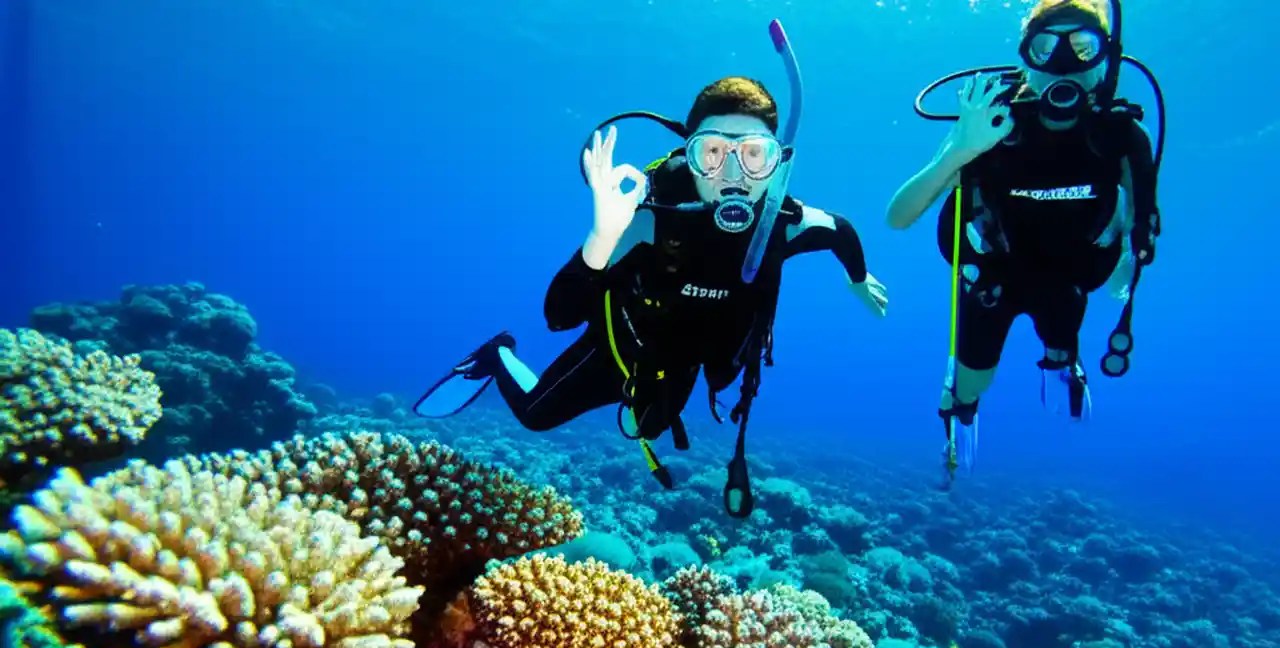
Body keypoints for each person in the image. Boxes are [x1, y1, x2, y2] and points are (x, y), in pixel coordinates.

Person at [416, 73, 888, 518]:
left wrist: (858, 279)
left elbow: (841, 232)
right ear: (690, 153)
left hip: (688, 358)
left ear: (776, 162)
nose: (732, 174)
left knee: (650, 426)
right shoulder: (651, 219)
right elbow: (557, 316)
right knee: (537, 416)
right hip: (624, 349)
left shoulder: (784, 224)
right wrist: (602, 237)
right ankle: (498, 354)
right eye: (713, 153)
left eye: (753, 155)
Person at [885, 0, 1164, 484]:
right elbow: (898, 216)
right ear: (1024, 60)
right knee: (974, 379)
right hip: (993, 275)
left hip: (1070, 276)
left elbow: (1141, 219)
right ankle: (963, 409)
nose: (1063, 65)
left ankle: (1062, 366)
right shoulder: (989, 121)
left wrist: (1126, 263)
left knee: (1061, 343)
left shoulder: (1120, 135)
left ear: (1105, 59)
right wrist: (962, 148)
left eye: (1082, 48)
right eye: (1044, 48)